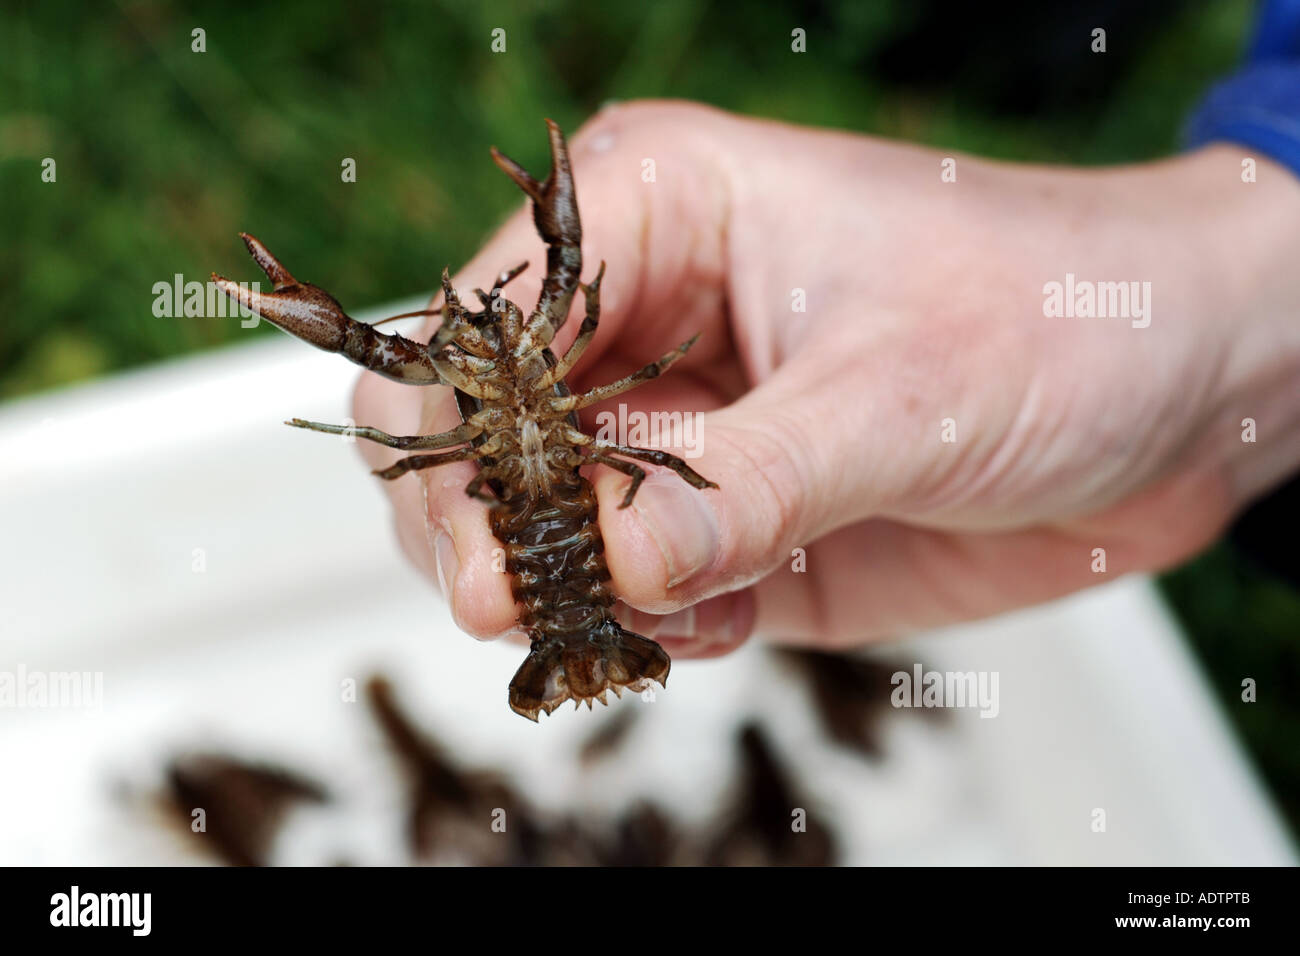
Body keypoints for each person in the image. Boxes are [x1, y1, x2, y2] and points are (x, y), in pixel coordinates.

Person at [353, 20, 1300, 661]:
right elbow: (546, 347)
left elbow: (563, 339)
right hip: (555, 550)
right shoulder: (547, 361)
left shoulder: (527, 356)